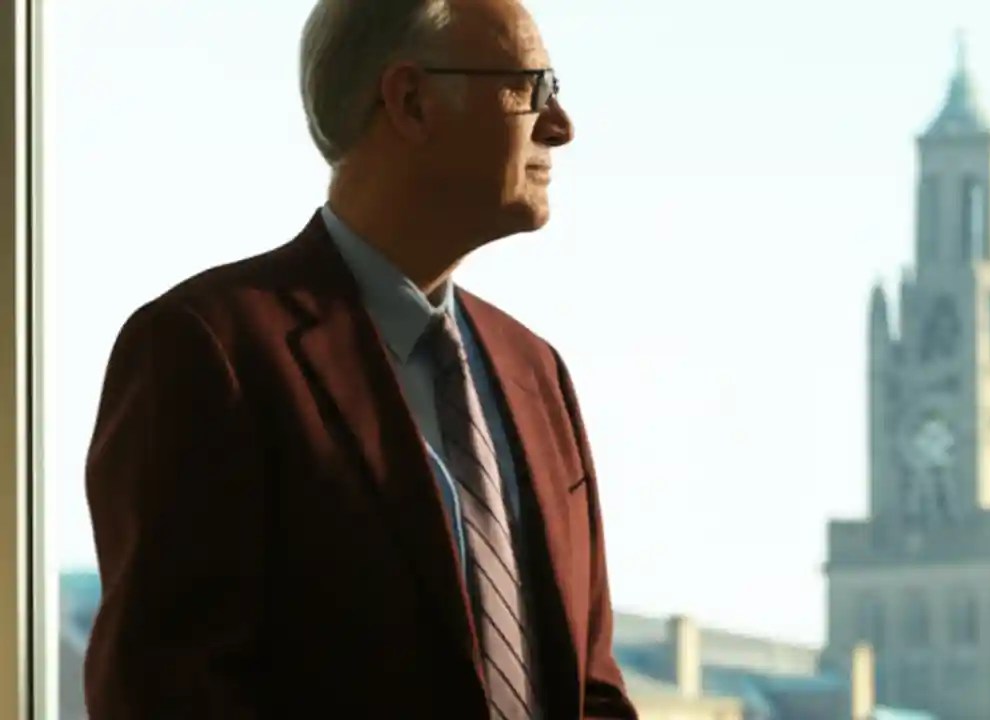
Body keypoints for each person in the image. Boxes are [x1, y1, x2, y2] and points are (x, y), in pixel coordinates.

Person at [82, 0, 637, 717]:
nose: (559, 126)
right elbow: (166, 695)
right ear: (411, 100)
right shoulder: (208, 350)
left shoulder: (537, 373)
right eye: (532, 88)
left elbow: (590, 690)